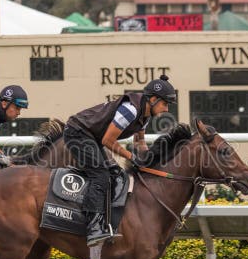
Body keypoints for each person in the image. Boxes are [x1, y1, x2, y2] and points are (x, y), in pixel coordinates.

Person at [64, 74, 177, 246]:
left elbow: (139, 141)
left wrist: (147, 159)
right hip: (77, 132)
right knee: (100, 174)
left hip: (91, 136)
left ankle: (106, 221)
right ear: (153, 99)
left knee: (115, 174)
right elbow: (108, 141)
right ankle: (93, 226)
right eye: (165, 103)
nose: (166, 109)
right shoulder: (130, 110)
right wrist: (131, 157)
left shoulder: (145, 116)